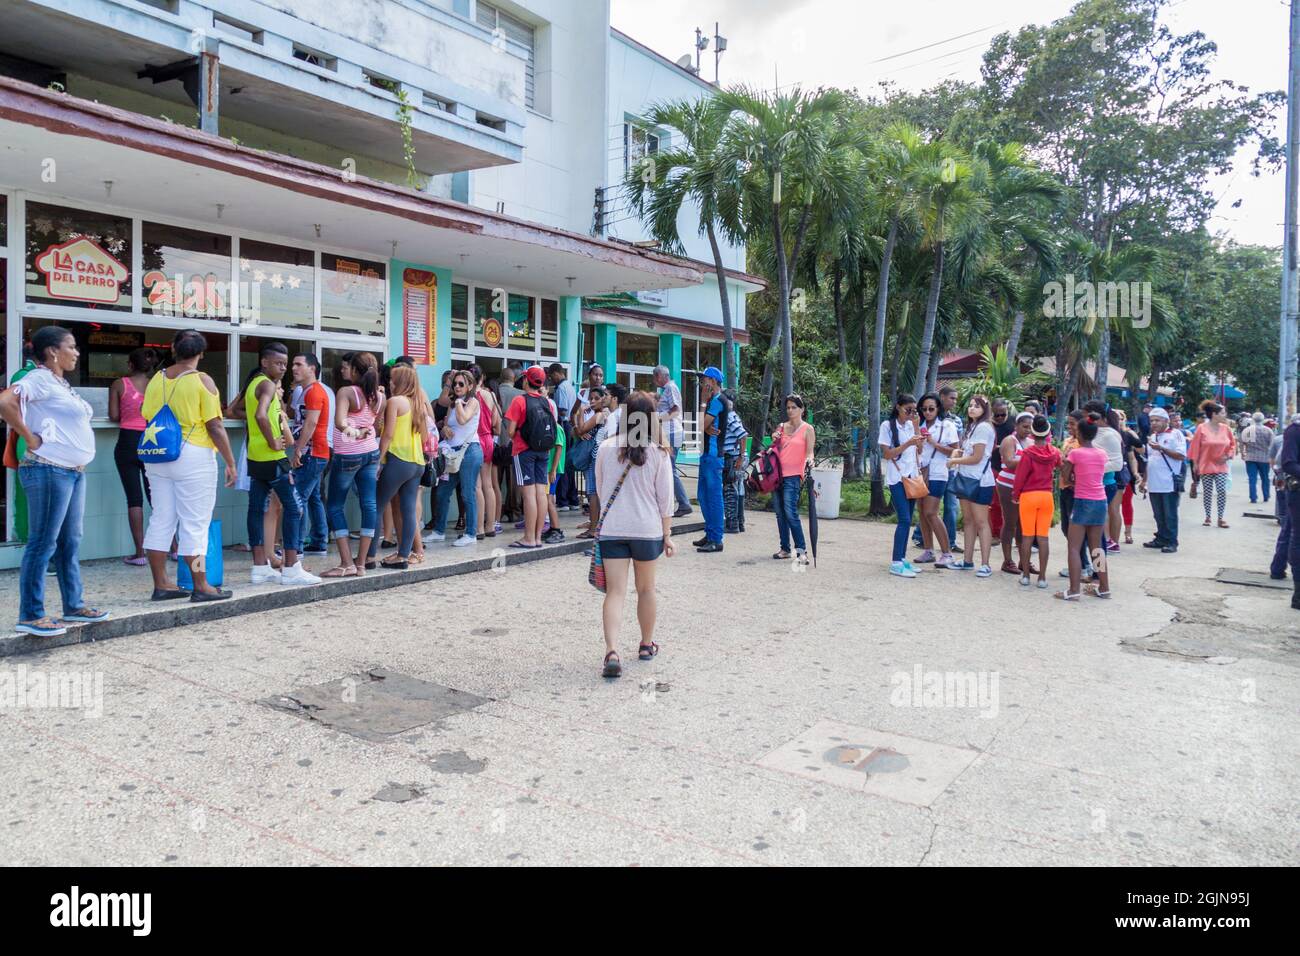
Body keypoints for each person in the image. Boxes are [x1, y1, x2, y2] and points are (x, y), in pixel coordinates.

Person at [0, 326, 109, 637]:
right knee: (42, 543)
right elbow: (5, 402)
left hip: (72, 472)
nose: (76, 353)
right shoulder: (37, 379)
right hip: (48, 470)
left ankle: (73, 605)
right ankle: (31, 614)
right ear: (52, 352)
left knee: (69, 541)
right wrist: (28, 436)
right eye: (71, 347)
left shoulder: (59, 383)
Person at [140, 330, 237, 603]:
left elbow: (145, 414)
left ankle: (161, 584)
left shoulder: (156, 380)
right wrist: (230, 462)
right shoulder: (202, 381)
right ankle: (201, 584)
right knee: (195, 522)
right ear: (201, 353)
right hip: (192, 455)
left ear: (173, 349)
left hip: (157, 455)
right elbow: (215, 425)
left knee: (161, 519)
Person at [595, 392, 675, 678]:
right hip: (647, 530)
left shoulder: (605, 448)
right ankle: (645, 644)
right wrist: (667, 535)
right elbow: (665, 501)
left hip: (613, 530)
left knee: (615, 592)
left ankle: (612, 651)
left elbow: (600, 489)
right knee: (646, 589)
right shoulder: (659, 452)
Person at [244, 342, 319, 586]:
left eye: (286, 364)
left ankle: (259, 567)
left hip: (255, 457)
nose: (284, 368)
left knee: (257, 508)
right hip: (272, 458)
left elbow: (238, 410)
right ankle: (291, 568)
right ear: (264, 362)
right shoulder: (266, 384)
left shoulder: (253, 384)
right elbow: (260, 415)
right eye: (278, 363)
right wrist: (273, 441)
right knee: (294, 507)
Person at [322, 352, 383, 578]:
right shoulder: (379, 395)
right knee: (369, 504)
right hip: (371, 453)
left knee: (335, 506)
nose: (342, 370)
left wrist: (355, 433)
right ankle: (360, 564)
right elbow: (375, 422)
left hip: (348, 454)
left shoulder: (346, 392)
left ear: (356, 371)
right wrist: (363, 432)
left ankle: (346, 562)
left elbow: (339, 423)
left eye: (347, 367)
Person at [370, 365, 432, 569]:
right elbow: (425, 436)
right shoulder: (418, 404)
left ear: (399, 382)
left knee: (377, 506)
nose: (389, 382)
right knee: (408, 510)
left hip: (398, 459)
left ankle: (369, 555)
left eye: (392, 379)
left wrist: (378, 459)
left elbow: (386, 434)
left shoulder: (394, 401)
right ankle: (403, 555)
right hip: (416, 463)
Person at [109, 347, 159, 566]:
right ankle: (174, 548)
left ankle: (139, 553)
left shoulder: (120, 384)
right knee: (156, 497)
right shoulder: (157, 386)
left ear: (130, 365)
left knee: (134, 499)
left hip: (127, 442)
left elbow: (114, 415)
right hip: (151, 440)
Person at [1057, 417, 1112, 601]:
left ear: (1079, 434)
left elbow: (1065, 475)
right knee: (1097, 548)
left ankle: (1073, 590)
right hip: (1100, 500)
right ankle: (1104, 587)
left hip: (1081, 500)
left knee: (1074, 547)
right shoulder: (1102, 454)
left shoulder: (1075, 454)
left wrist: (1072, 476)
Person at [504, 365, 558, 549]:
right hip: (544, 451)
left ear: (526, 380)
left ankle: (528, 537)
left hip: (523, 451)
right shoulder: (547, 402)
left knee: (528, 496)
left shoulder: (519, 401)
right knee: (541, 494)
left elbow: (510, 431)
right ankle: (537, 538)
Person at [429, 368, 482, 548]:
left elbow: (462, 420)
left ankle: (471, 533)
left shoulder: (472, 402)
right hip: (452, 453)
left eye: (461, 384)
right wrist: (444, 429)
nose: (457, 387)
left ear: (470, 386)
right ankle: (439, 530)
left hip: (469, 451)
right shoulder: (452, 404)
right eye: (455, 383)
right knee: (443, 492)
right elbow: (446, 423)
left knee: (467, 493)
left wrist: (459, 402)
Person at [946, 394, 996, 576]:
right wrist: (958, 453)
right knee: (968, 520)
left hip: (980, 481)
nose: (972, 408)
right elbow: (971, 452)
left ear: (985, 409)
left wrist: (954, 460)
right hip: (966, 478)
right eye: (971, 405)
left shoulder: (983, 427)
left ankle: (985, 564)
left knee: (981, 522)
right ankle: (967, 560)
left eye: (977, 406)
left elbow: (976, 457)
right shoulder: (972, 427)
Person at [288, 353, 332, 556]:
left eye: (299, 364)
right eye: (293, 364)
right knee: (313, 496)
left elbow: (311, 423)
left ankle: (295, 546)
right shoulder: (306, 391)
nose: (293, 368)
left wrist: (298, 448)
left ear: (312, 368)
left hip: (313, 452)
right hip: (315, 452)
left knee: (298, 497)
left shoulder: (314, 391)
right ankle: (319, 541)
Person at [1011, 415, 1060, 589]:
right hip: (1046, 496)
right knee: (1043, 538)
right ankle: (1042, 578)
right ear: (1047, 432)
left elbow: (1020, 477)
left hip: (1029, 496)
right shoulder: (1054, 452)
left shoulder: (1028, 453)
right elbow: (1061, 464)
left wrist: (1015, 494)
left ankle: (1025, 576)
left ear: (1032, 432)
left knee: (1027, 537)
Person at [880, 393, 924, 577]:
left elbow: (920, 450)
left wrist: (916, 428)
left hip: (912, 477)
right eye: (908, 410)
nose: (911, 414)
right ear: (898, 407)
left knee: (909, 519)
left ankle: (902, 558)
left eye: (914, 411)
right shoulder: (887, 426)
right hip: (897, 478)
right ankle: (896, 562)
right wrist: (907, 443)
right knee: (904, 519)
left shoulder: (911, 425)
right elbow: (887, 454)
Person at [771, 393, 816, 564]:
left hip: (793, 476)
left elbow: (809, 451)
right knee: (780, 514)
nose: (790, 410)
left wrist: (810, 460)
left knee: (791, 513)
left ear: (802, 409)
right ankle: (785, 548)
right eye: (788, 407)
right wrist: (775, 437)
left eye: (794, 407)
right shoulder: (781, 427)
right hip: (777, 475)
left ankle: (801, 551)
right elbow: (775, 447)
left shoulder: (808, 429)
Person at [914, 392, 956, 567]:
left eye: (931, 408)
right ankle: (929, 550)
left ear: (938, 408)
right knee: (922, 512)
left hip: (938, 473)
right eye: (924, 409)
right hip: (919, 471)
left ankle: (947, 553)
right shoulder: (918, 425)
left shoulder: (947, 426)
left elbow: (955, 451)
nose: (927, 412)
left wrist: (933, 443)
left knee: (931, 512)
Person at [1140, 406, 1186, 554]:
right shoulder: (1153, 437)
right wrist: (1144, 480)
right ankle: (1161, 538)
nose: (1154, 423)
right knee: (1158, 513)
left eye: (1157, 420)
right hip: (1154, 482)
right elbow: (1149, 460)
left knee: (1169, 513)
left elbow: (1181, 456)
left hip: (1168, 482)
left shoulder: (1175, 434)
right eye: (1152, 420)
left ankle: (1172, 541)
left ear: (1166, 421)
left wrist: (1162, 448)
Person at [1057, 409, 1095, 581]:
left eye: (1073, 424)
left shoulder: (1079, 452)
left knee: (1083, 538)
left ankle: (1086, 571)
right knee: (1093, 540)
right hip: (1092, 500)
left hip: (1082, 497)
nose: (1070, 427)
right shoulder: (1099, 453)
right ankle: (1100, 579)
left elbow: (1067, 472)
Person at [694, 367, 728, 553]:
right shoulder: (713, 401)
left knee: (713, 497)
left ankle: (716, 538)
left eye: (704, 379)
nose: (702, 383)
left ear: (713, 381)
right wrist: (704, 428)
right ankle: (710, 532)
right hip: (706, 454)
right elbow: (702, 427)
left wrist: (701, 402)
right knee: (703, 495)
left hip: (713, 455)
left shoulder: (717, 401)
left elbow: (700, 425)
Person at [995, 412, 1033, 574]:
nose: (1028, 430)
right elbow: (1009, 462)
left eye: (1030, 427)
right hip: (1008, 485)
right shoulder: (1009, 440)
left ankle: (1024, 561)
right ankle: (1007, 560)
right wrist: (1031, 459)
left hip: (1025, 487)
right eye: (1024, 426)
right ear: (1016, 426)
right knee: (1010, 523)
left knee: (1024, 525)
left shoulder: (1030, 442)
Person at [1188, 400, 1236, 528]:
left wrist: (1228, 456)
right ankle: (1208, 516)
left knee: (1221, 490)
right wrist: (1195, 463)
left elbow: (1232, 445)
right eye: (1222, 413)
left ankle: (1221, 517)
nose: (1224, 415)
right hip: (1206, 464)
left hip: (1221, 464)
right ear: (1214, 414)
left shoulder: (1226, 429)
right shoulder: (1201, 428)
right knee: (1207, 491)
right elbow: (1195, 447)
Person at [653, 364, 693, 517]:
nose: (655, 380)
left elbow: (675, 410)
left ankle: (683, 503)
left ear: (661, 376)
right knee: (668, 469)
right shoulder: (668, 389)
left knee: (670, 469)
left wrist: (657, 418)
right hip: (669, 433)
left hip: (671, 433)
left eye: (656, 377)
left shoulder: (670, 388)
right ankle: (680, 503)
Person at [1271, 413, 1300, 609]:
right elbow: (1288, 462)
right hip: (1297, 491)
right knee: (1296, 536)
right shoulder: (1295, 430)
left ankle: (1277, 567)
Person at [573, 385, 608, 540]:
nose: (592, 401)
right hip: (596, 456)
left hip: (595, 457)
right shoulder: (601, 414)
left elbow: (580, 429)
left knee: (592, 492)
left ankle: (593, 529)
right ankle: (595, 525)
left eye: (596, 399)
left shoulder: (601, 414)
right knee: (593, 492)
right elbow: (578, 431)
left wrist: (580, 412)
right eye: (591, 398)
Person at [472, 365, 502, 539]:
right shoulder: (490, 395)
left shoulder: (469, 397)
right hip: (488, 439)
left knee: (476, 486)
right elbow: (496, 423)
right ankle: (490, 526)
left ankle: (479, 529)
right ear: (482, 377)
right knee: (489, 485)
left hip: (475, 441)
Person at [548, 362, 579, 511]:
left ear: (556, 373)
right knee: (568, 464)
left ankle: (563, 500)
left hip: (564, 425)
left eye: (551, 376)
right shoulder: (571, 387)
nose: (551, 380)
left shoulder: (560, 388)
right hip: (570, 426)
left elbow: (562, 410)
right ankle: (573, 498)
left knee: (562, 463)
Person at [722, 387, 750, 534]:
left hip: (734, 457)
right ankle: (740, 522)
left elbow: (742, 435)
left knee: (729, 490)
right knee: (738, 489)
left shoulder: (729, 417)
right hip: (737, 456)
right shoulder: (733, 415)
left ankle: (732, 523)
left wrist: (739, 456)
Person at [938, 385, 963, 549]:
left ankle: (951, 541)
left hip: (951, 468)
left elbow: (958, 445)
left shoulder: (957, 420)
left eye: (955, 398)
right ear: (942, 397)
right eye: (951, 398)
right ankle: (920, 535)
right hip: (934, 468)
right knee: (931, 506)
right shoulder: (931, 416)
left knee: (951, 506)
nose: (954, 401)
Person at [987, 399, 1014, 540]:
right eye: (996, 415)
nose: (1000, 418)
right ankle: (996, 533)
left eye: (1003, 415)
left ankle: (1010, 531)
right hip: (993, 466)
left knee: (1011, 503)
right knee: (995, 503)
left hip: (1010, 469)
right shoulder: (988, 425)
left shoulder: (1013, 423)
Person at [1117, 409, 1144, 544]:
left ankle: (1128, 532)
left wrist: (1135, 473)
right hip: (1112, 474)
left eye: (1121, 418)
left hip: (1125, 474)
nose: (1119, 420)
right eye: (1116, 418)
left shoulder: (1128, 435)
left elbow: (1133, 456)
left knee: (1126, 503)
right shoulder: (1108, 434)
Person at [1241, 412, 1275, 505]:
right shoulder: (1268, 431)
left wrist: (1243, 454)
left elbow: (1244, 442)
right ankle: (1266, 496)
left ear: (1253, 419)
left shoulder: (1248, 430)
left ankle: (1253, 498)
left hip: (1250, 457)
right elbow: (1272, 445)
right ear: (1263, 419)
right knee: (1265, 478)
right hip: (1264, 458)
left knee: (1252, 479)